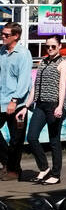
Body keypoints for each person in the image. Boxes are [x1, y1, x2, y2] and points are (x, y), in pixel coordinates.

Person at [19, 36, 66, 184]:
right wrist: (26, 106)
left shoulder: (63, 63)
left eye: (53, 46)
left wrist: (60, 106)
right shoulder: (42, 61)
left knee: (54, 141)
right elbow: (35, 86)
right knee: (32, 137)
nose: (50, 49)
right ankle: (44, 168)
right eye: (47, 46)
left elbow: (62, 85)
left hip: (54, 105)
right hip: (40, 105)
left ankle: (55, 174)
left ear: (59, 46)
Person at [0, 22, 34, 181]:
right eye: (2, 33)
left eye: (6, 34)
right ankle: (8, 163)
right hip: (1, 101)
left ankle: (14, 170)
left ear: (16, 36)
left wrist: (14, 100)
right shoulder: (1, 51)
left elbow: (24, 81)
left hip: (17, 104)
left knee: (16, 140)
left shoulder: (23, 54)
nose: (3, 36)